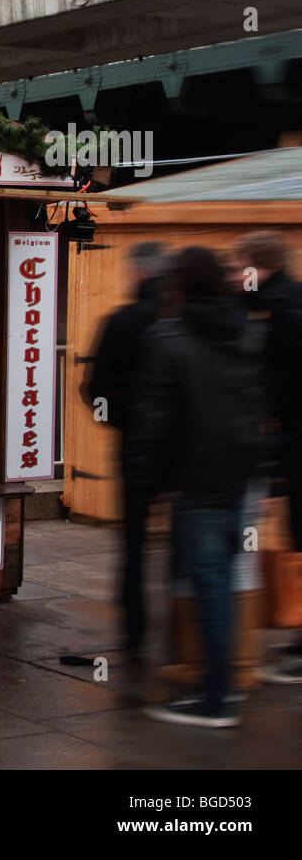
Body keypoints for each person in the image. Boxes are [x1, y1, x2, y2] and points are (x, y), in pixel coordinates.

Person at [133, 246, 267, 728]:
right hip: (239, 479)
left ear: (180, 284)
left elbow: (157, 421)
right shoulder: (248, 332)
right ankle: (209, 681)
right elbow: (256, 404)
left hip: (196, 483)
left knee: (208, 586)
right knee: (219, 584)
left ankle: (216, 696)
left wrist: (147, 483)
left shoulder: (171, 337)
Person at [83, 240, 167, 658]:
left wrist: (118, 422)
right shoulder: (182, 317)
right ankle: (184, 625)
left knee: (134, 540)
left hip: (137, 446)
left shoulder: (123, 321)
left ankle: (135, 629)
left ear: (136, 273)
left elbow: (94, 389)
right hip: (187, 450)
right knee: (186, 538)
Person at [236, 231, 302, 683]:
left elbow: (278, 385)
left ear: (258, 266)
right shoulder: (288, 298)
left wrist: (272, 457)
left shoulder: (275, 307)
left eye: (243, 265)